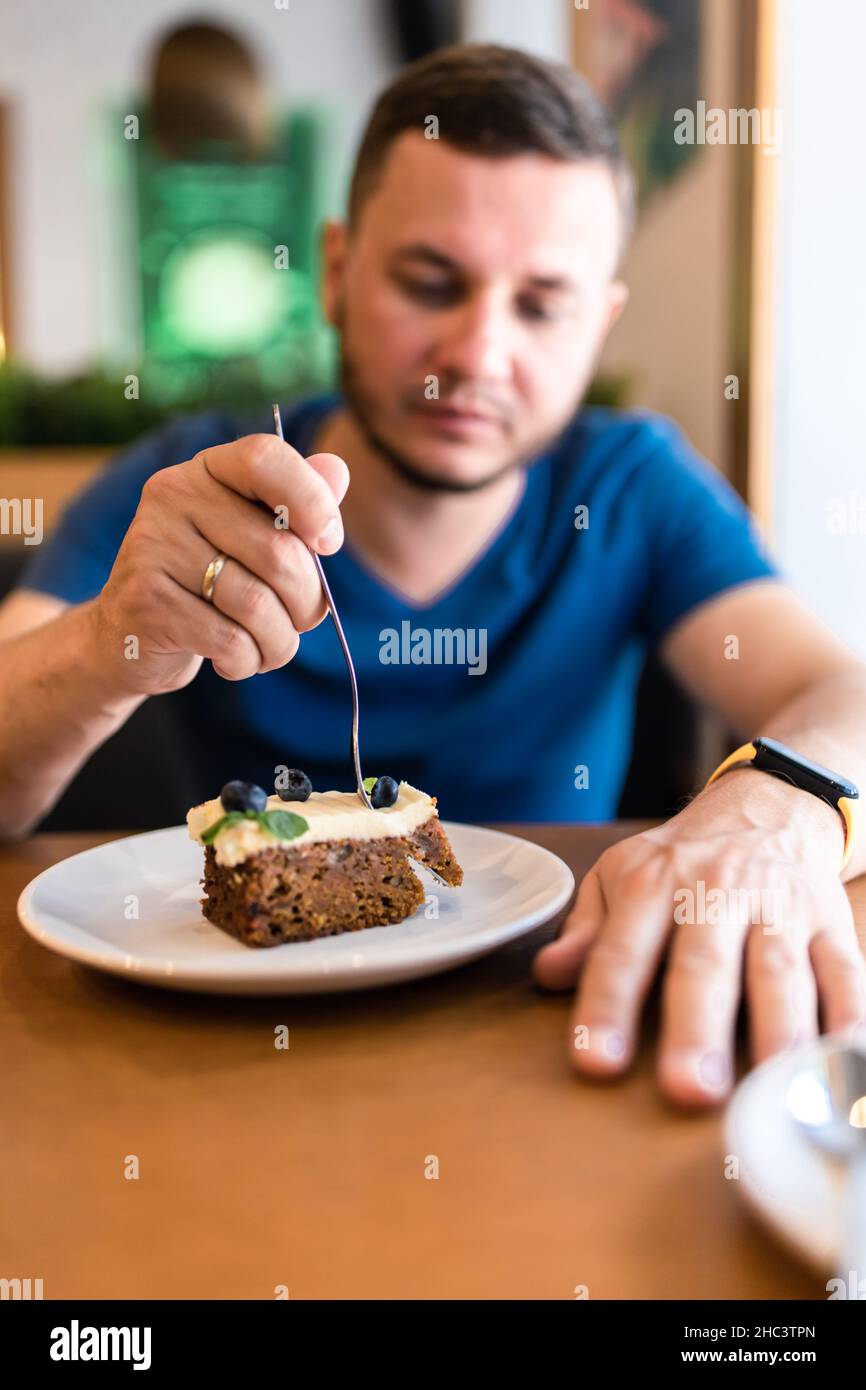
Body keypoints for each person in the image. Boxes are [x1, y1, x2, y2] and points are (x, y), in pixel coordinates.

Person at [2, 44, 864, 1109]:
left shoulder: (631, 487)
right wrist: (105, 644)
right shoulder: (188, 488)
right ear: (334, 268)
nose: (477, 352)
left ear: (597, 323)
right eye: (428, 280)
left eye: (541, 304)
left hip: (556, 1039)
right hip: (213, 1063)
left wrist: (773, 806)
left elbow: (842, 694)